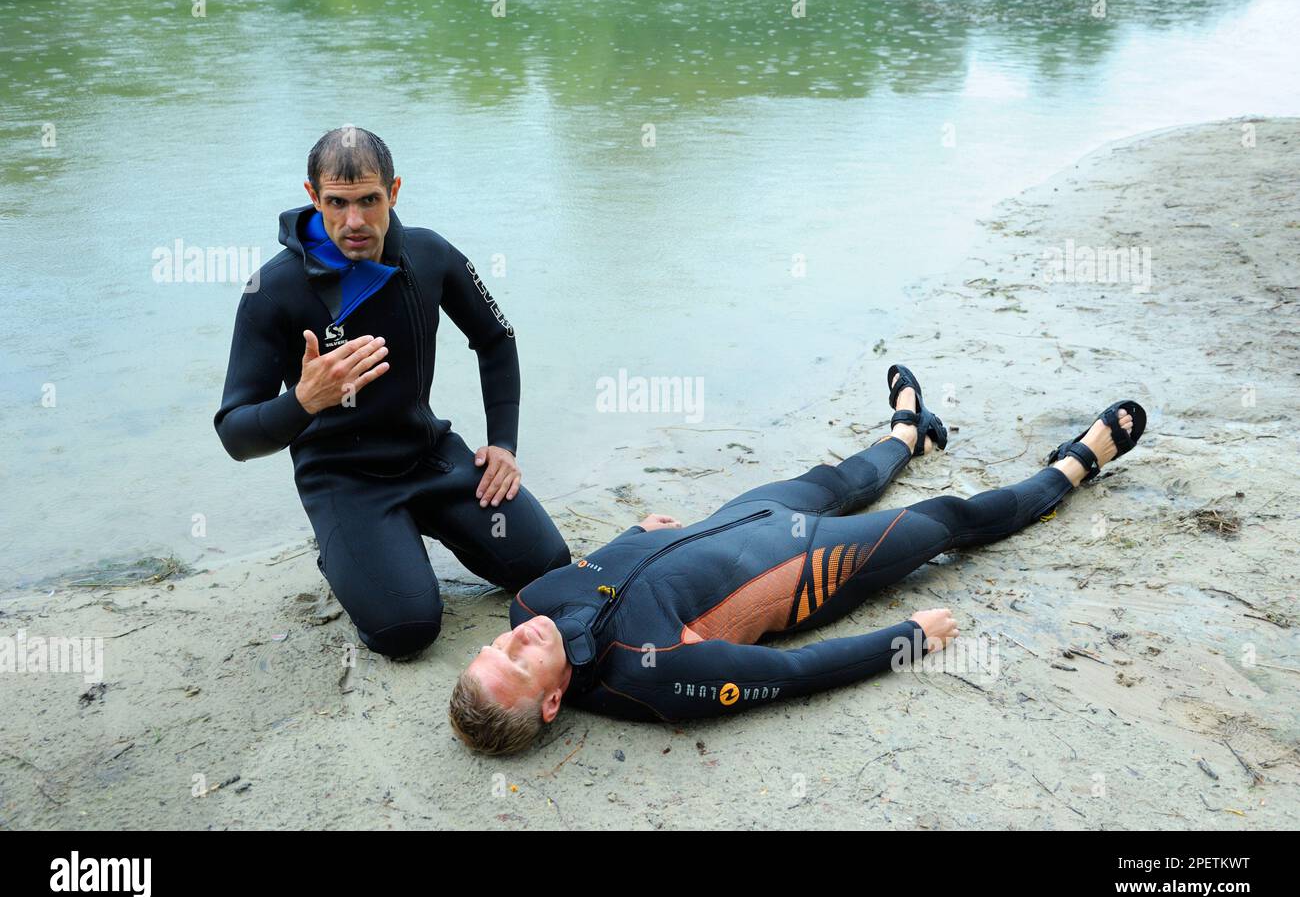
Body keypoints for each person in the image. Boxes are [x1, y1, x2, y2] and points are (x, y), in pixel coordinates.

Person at [448, 364, 1147, 753]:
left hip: (742, 515)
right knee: (944, 521)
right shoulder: (649, 676)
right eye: (516, 663)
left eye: (493, 646)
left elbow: (594, 571)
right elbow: (791, 673)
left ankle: (909, 431)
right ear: (549, 704)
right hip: (814, 568)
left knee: (842, 475)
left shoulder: (529, 602)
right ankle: (1078, 464)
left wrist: (635, 532)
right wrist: (908, 639)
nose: (514, 639)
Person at [214, 127, 570, 659]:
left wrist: (504, 445)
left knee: (547, 571)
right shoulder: (272, 290)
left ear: (394, 191)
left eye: (368, 201)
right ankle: (349, 547)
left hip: (429, 456)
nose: (353, 221)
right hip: (342, 477)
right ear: (313, 197)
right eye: (336, 202)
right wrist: (304, 400)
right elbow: (235, 434)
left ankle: (421, 525)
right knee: (406, 630)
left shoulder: (428, 255)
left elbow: (496, 339)